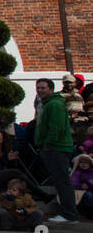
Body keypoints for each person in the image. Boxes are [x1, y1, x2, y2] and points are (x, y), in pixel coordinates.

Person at [34, 77, 78, 224]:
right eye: (38, 87)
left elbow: (56, 128)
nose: (40, 90)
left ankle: (69, 215)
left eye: (43, 88)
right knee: (60, 181)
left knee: (62, 181)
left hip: (56, 148)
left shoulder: (54, 105)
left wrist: (47, 144)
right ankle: (68, 214)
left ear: (51, 90)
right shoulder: (48, 104)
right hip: (52, 147)